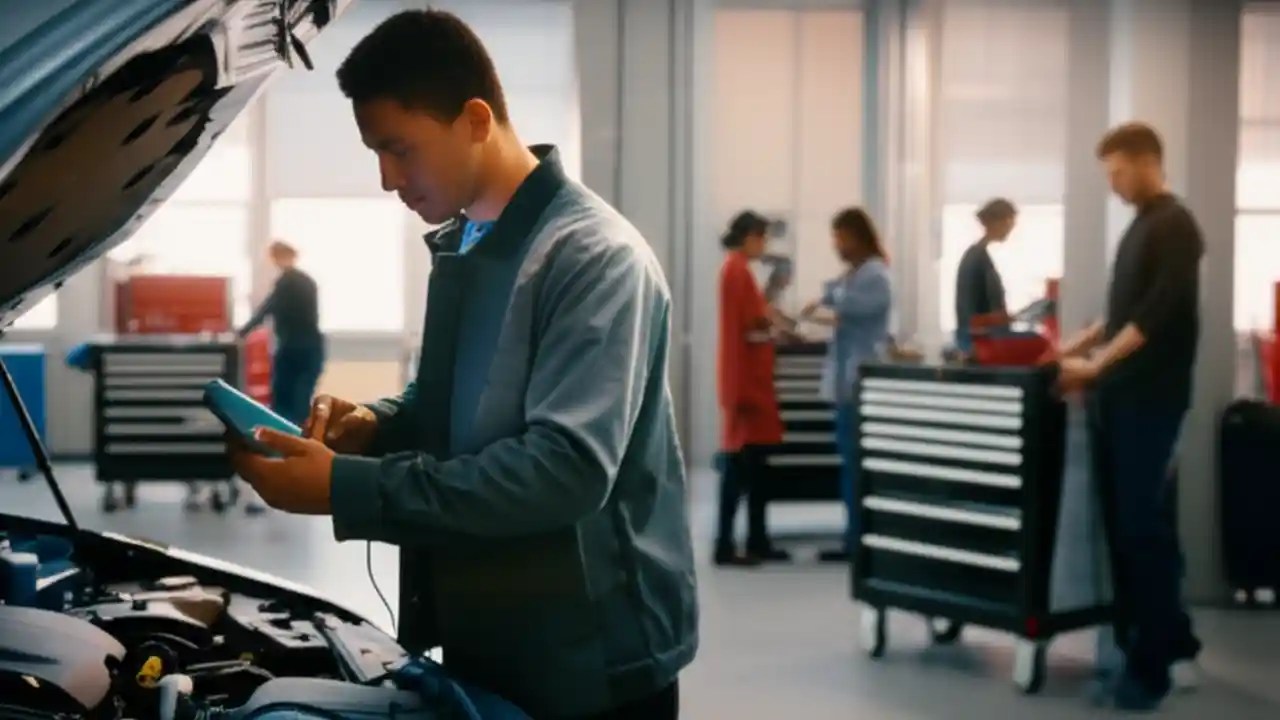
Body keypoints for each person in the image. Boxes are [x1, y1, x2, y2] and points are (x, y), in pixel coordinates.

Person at [228, 10, 696, 720]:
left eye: (400, 149)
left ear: (476, 119)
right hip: (497, 629)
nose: (387, 179)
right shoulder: (473, 241)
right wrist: (376, 427)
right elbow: (453, 405)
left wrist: (348, 489)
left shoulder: (593, 257)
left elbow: (566, 469)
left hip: (589, 654)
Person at [1055, 121, 1202, 712]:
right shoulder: (1140, 226)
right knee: (1131, 526)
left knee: (1141, 529)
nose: (1112, 185)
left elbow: (1156, 316)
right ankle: (1171, 635)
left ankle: (1151, 667)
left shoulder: (1175, 226)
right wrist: (1078, 344)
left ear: (1146, 162)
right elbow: (1123, 313)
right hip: (1121, 399)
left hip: (1151, 401)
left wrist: (1093, 367)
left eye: (1117, 172)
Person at [801, 208, 892, 563]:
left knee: (855, 467)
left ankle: (857, 543)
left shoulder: (876, 276)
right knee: (849, 465)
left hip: (859, 386)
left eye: (840, 237)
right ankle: (852, 537)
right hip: (844, 387)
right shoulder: (856, 275)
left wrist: (823, 304)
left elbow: (849, 308)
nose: (836, 245)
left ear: (857, 236)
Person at [715, 210, 793, 567]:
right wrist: (779, 325)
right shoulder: (738, 272)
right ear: (749, 237)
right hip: (747, 383)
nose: (764, 246)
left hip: (748, 381)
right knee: (740, 468)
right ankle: (727, 544)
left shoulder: (736, 270)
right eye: (761, 238)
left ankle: (757, 539)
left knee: (757, 467)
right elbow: (755, 322)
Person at [239, 240, 325, 427]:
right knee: (301, 400)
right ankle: (298, 443)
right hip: (312, 347)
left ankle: (282, 443)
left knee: (284, 401)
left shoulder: (287, 281)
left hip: (293, 347)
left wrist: (242, 333)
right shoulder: (307, 281)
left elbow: (267, 309)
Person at [954, 198, 1017, 354]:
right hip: (980, 345)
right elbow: (966, 306)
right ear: (997, 222)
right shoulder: (975, 258)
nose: (1011, 227)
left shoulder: (981, 257)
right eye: (1009, 222)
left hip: (987, 342)